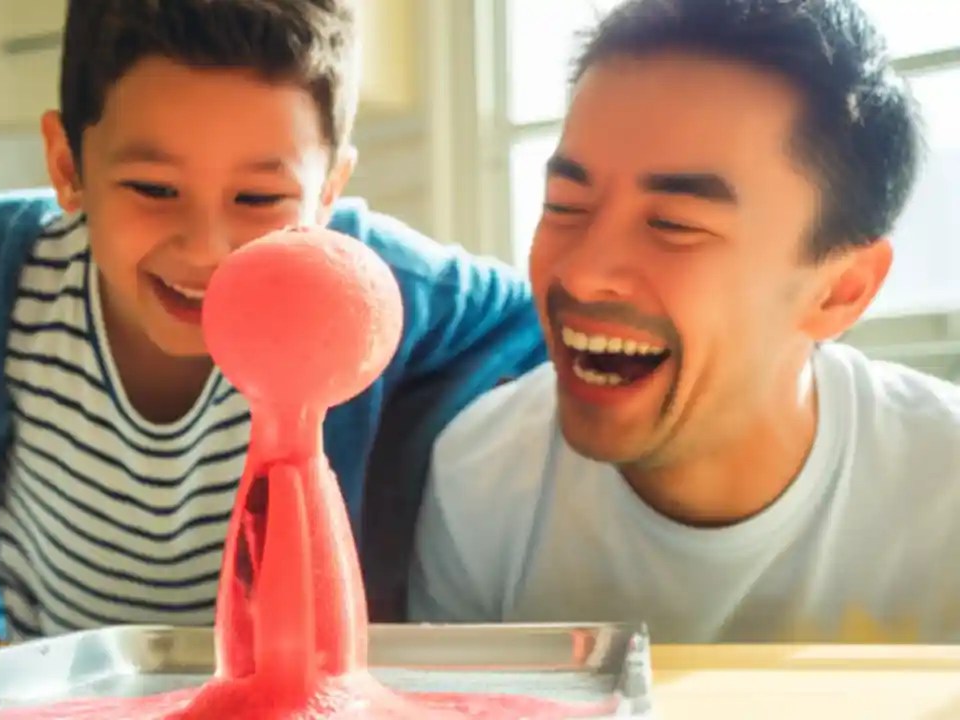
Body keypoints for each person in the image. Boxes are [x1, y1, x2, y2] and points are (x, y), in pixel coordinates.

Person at [0, 0, 545, 642]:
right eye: (154, 189)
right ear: (68, 164)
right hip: (56, 692)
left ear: (329, 192)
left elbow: (536, 327)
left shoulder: (372, 283)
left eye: (258, 197)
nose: (206, 248)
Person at [408, 0, 960, 643]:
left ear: (841, 290)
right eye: (566, 204)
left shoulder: (943, 486)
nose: (582, 275)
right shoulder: (480, 477)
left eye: (673, 225)